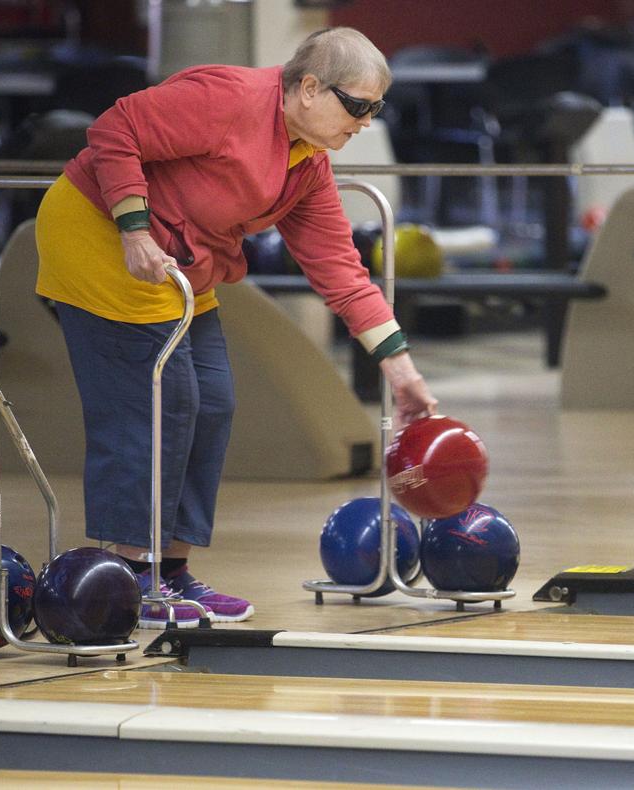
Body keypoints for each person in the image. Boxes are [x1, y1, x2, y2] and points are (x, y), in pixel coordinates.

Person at [34, 27, 438, 628]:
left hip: (182, 264)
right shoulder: (228, 99)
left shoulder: (306, 165)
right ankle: (130, 574)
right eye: (357, 106)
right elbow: (116, 129)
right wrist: (134, 228)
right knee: (160, 404)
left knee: (214, 402)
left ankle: (172, 571)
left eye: (376, 110)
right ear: (309, 87)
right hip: (100, 236)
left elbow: (343, 274)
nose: (364, 122)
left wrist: (402, 374)